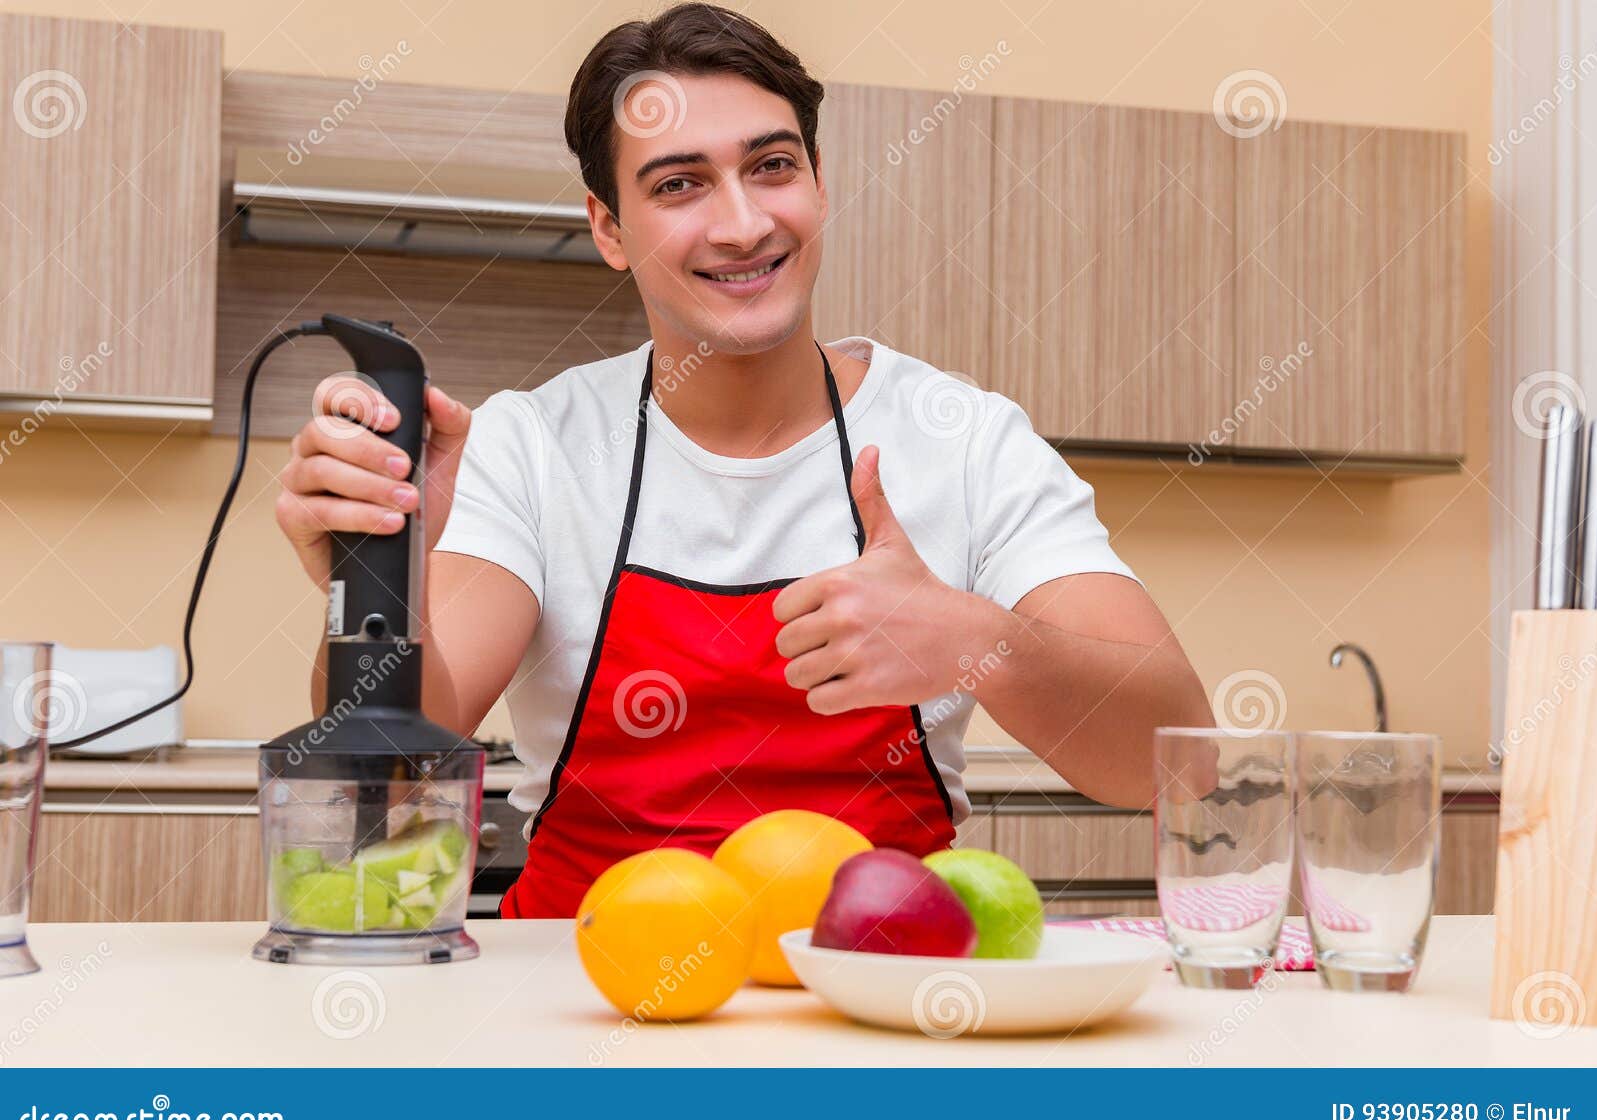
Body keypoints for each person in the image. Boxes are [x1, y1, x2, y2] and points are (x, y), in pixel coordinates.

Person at [274, 2, 1213, 918]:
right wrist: (374, 580)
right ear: (608, 228)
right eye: (679, 184)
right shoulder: (535, 445)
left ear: (820, 184)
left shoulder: (964, 438)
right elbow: (388, 768)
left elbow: (1176, 767)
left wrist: (974, 641)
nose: (742, 224)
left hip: (877, 992)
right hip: (581, 994)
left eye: (771, 167)